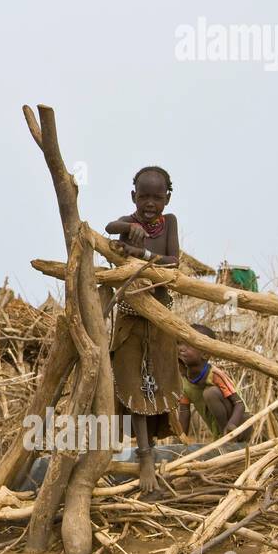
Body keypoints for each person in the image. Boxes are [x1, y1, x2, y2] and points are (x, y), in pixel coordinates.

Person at [105, 166, 184, 493]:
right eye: (143, 196)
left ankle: (152, 452)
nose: (150, 203)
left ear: (167, 197)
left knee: (160, 382)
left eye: (157, 196)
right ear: (133, 196)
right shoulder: (128, 224)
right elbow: (109, 228)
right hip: (132, 315)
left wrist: (140, 254)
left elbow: (173, 261)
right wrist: (127, 229)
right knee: (134, 382)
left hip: (160, 315)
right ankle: (145, 457)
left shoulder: (171, 223)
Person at [177, 324, 248, 440]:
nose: (181, 348)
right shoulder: (184, 381)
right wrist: (180, 440)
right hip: (220, 429)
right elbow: (184, 411)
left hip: (240, 425)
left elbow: (240, 404)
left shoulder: (214, 375)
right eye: (179, 343)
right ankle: (221, 437)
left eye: (189, 345)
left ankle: (226, 438)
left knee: (211, 393)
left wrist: (232, 426)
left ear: (205, 354)